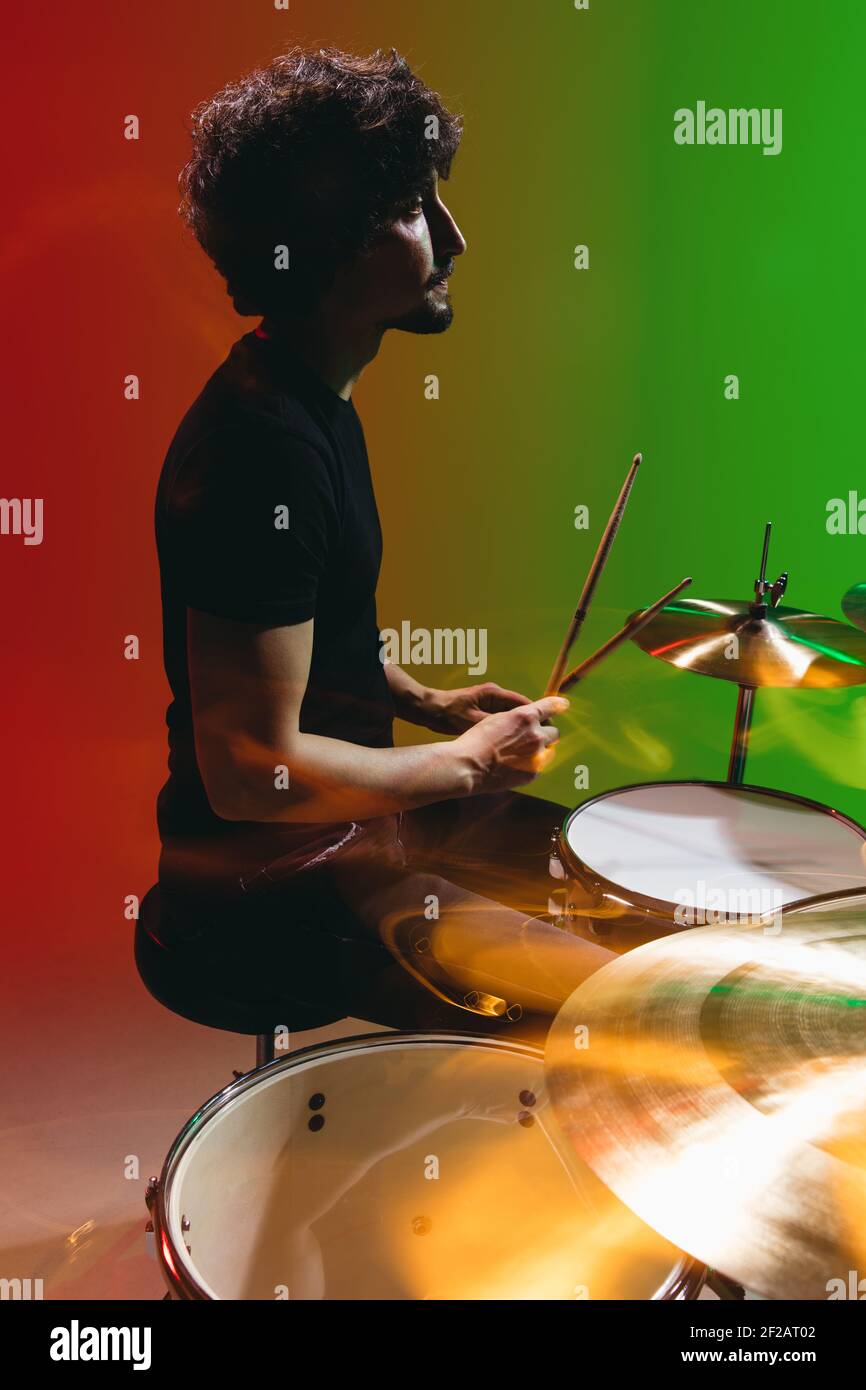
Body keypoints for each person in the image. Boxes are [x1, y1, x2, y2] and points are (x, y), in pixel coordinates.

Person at [152, 46, 614, 1047]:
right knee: (617, 1007)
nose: (456, 236)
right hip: (264, 889)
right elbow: (249, 768)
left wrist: (427, 704)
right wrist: (461, 765)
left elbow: (311, 633)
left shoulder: (306, 396)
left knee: (615, 887)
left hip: (349, 832)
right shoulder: (258, 453)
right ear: (328, 245)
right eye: (415, 209)